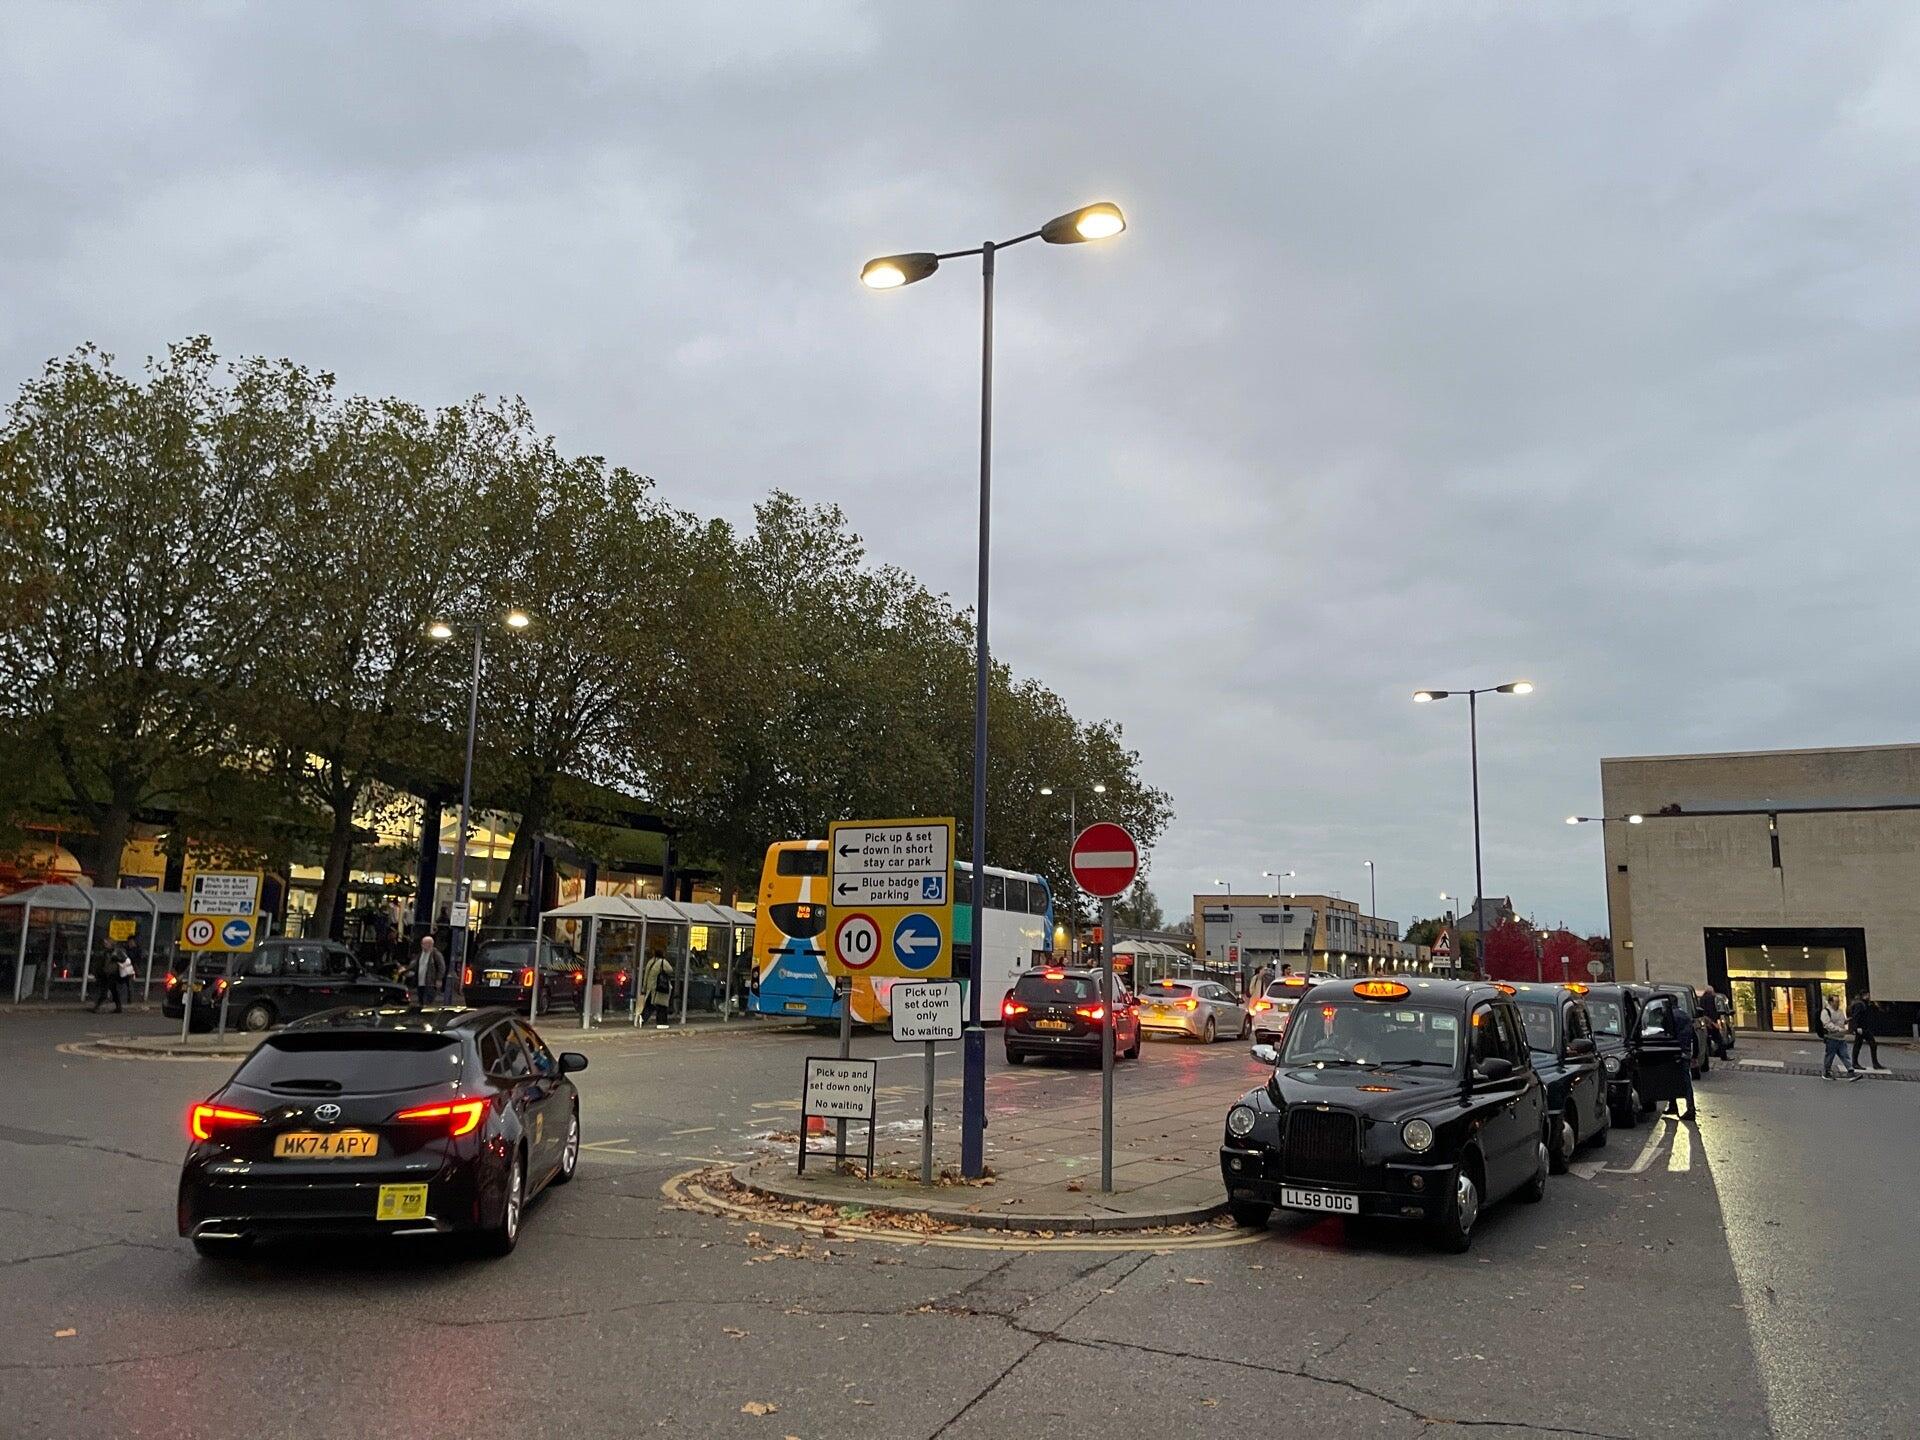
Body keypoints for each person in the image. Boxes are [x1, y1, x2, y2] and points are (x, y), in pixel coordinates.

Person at [1661, 998, 1697, 1120]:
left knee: (1670, 1079)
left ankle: (1674, 1105)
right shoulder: (1685, 1015)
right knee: (1686, 1081)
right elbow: (1694, 1035)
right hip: (1685, 1051)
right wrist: (1694, 1054)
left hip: (1673, 1051)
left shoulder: (1669, 1016)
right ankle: (1689, 1107)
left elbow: (1666, 1034)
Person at [1819, 996, 1863, 1082]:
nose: (1838, 1003)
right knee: (1830, 1056)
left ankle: (1851, 1072)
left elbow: (1841, 1022)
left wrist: (1846, 1021)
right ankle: (1826, 1072)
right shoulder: (1825, 1012)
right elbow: (1827, 1025)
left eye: (1838, 1001)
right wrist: (1840, 1030)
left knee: (1844, 1055)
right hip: (1831, 1038)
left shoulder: (1840, 1011)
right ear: (1831, 1002)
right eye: (1836, 1002)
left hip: (1841, 1038)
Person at [1848, 992, 1882, 1073]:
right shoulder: (1860, 1004)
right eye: (1868, 995)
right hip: (1862, 1029)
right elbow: (1856, 1016)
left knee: (1861, 1045)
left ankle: (1872, 1063)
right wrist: (1857, 1027)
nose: (1869, 997)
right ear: (1864, 995)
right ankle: (1858, 1063)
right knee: (1865, 1044)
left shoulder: (1864, 1003)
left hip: (1864, 1028)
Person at [413, 935, 447, 1006]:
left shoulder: (436, 954)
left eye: (423, 944)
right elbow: (416, 964)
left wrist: (439, 979)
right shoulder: (421, 954)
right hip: (420, 982)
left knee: (427, 1001)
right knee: (421, 1001)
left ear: (429, 944)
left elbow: (442, 967)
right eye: (422, 944)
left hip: (430, 983)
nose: (422, 945)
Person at [641, 951, 671, 1026]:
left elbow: (646, 975)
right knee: (661, 1005)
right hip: (659, 987)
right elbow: (670, 970)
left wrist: (644, 988)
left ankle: (642, 1018)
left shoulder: (650, 962)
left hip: (650, 987)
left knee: (649, 1004)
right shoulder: (663, 962)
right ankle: (662, 1022)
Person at [88, 948, 123, 1014]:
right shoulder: (107, 953)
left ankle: (97, 1006)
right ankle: (118, 1007)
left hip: (111, 974)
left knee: (106, 990)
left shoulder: (117, 953)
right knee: (113, 991)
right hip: (108, 974)